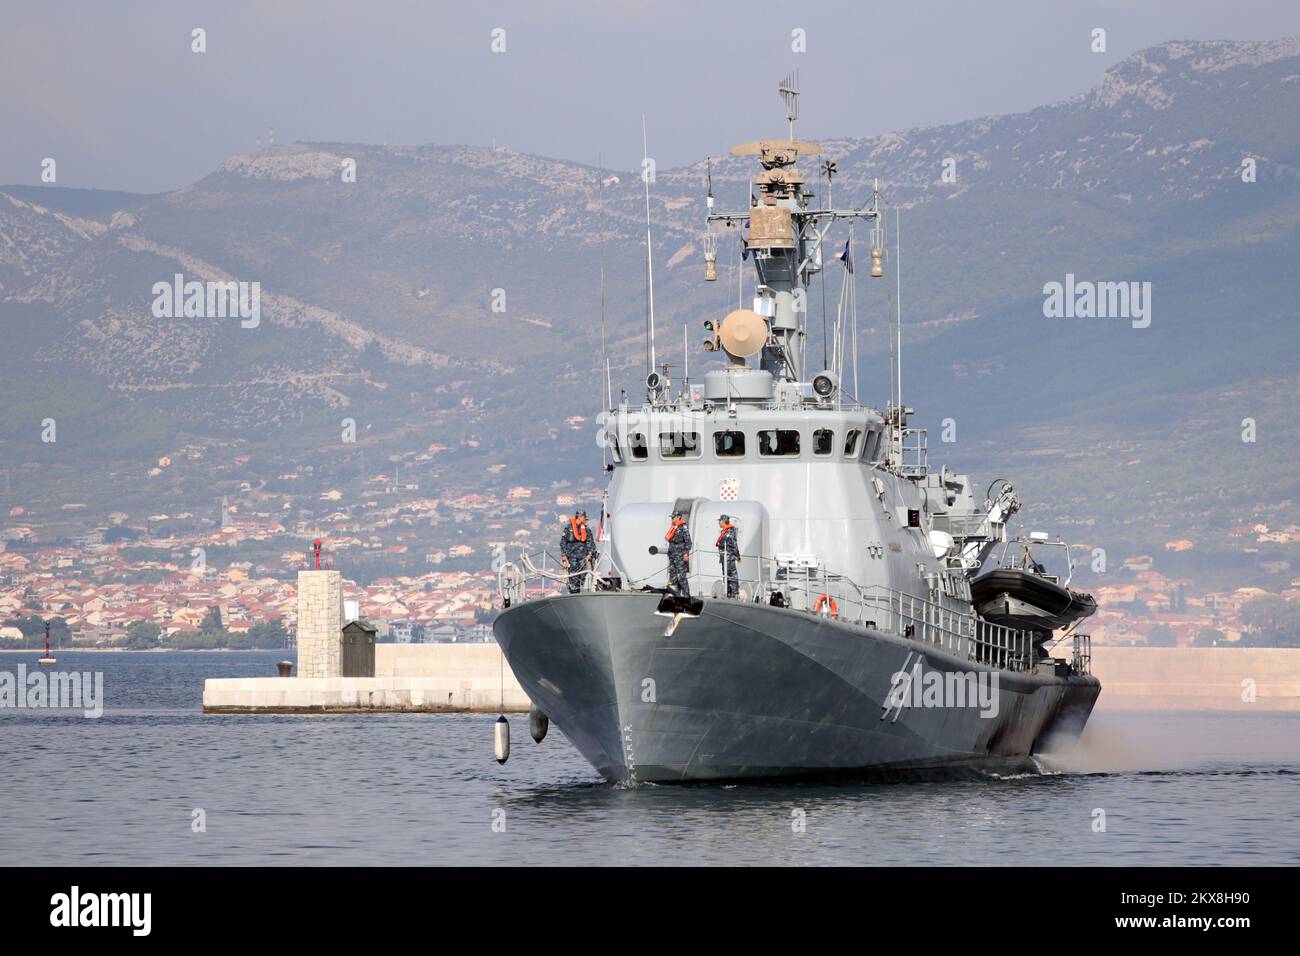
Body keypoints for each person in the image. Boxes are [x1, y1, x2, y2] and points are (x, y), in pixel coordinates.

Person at [560, 510, 596, 594]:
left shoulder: (586, 529)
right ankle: (574, 593)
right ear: (580, 517)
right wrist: (563, 555)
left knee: (584, 576)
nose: (585, 519)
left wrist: (590, 553)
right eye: (584, 517)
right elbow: (563, 542)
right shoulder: (568, 528)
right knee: (573, 577)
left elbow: (590, 542)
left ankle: (584, 592)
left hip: (584, 557)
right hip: (572, 557)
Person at [664, 510, 692, 598]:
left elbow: (688, 542)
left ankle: (686, 595)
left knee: (681, 576)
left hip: (679, 555)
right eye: (672, 517)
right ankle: (676, 594)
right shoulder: (674, 527)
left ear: (678, 517)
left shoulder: (683, 527)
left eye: (673, 517)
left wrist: (686, 553)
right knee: (673, 575)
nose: (672, 519)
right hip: (672, 554)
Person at [716, 514, 741, 598]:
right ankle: (728, 592)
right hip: (724, 557)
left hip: (729, 557)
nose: (719, 522)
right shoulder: (724, 531)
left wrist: (737, 556)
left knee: (731, 574)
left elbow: (734, 544)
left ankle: (734, 593)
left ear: (723, 521)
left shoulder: (730, 531)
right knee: (726, 574)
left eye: (720, 521)